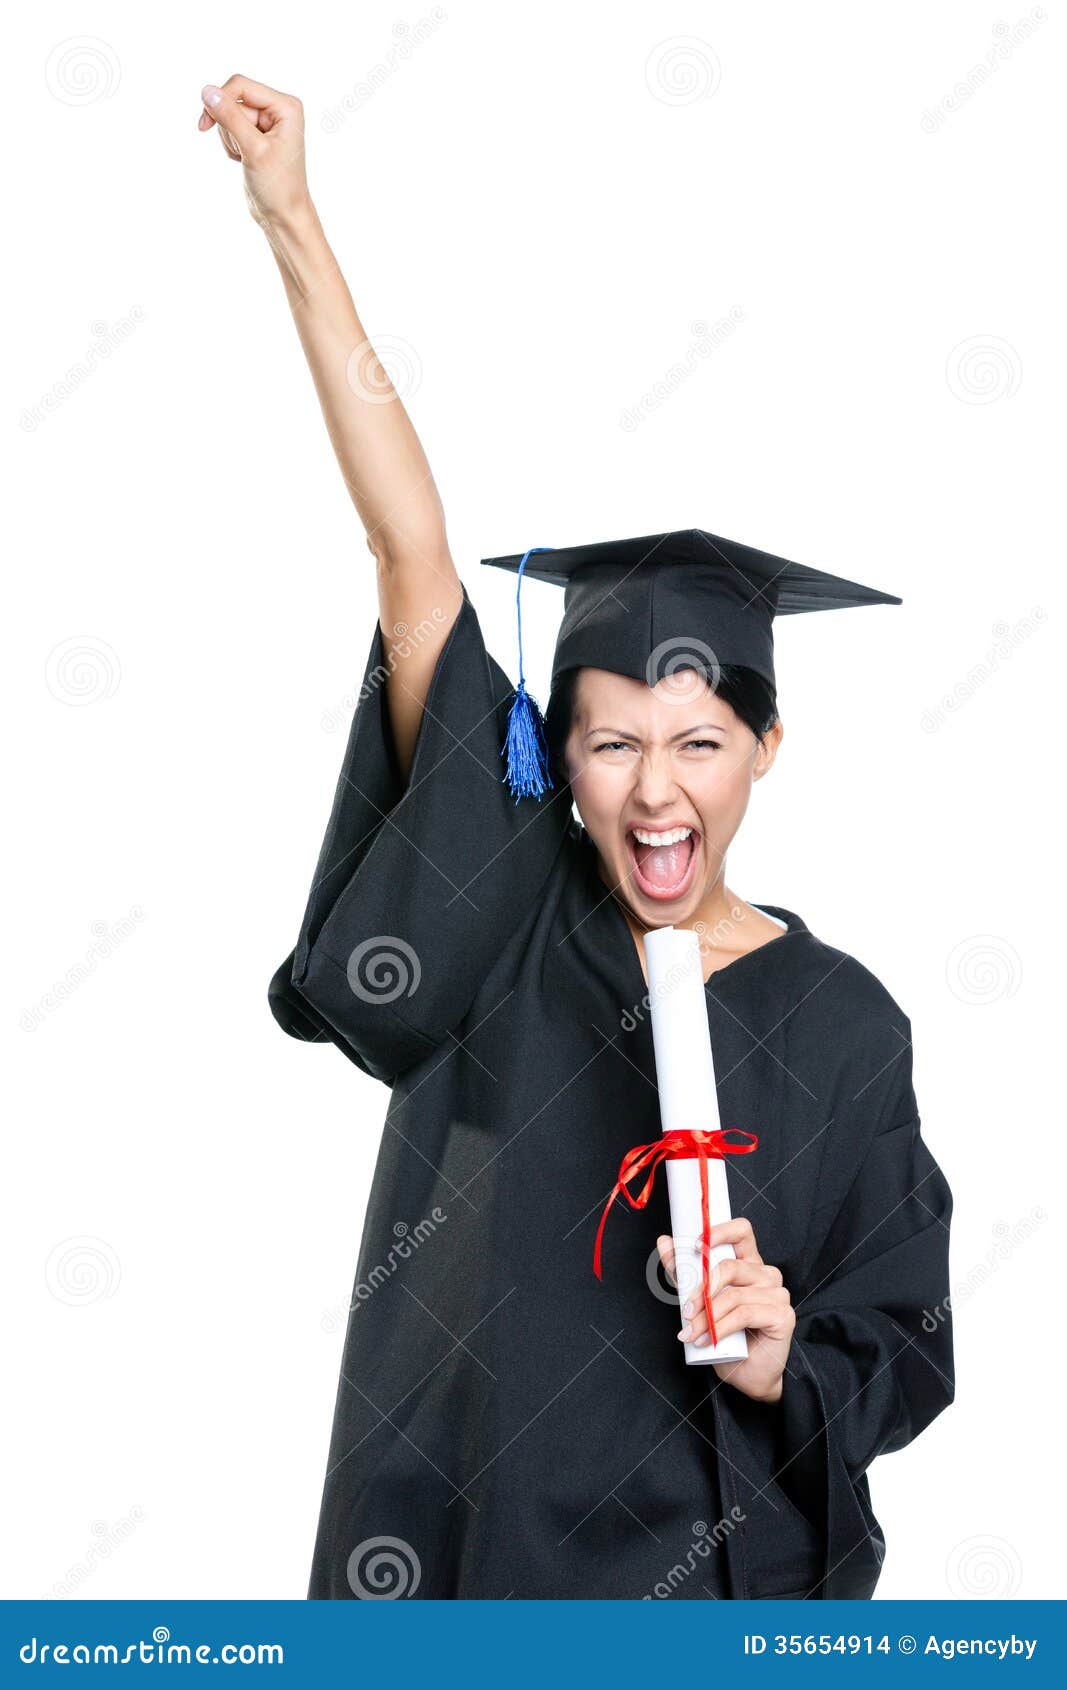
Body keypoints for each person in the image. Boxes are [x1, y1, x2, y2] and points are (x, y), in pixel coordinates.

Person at [201, 74, 955, 1600]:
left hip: (733, 1593)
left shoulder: (850, 1025)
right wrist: (291, 219)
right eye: (609, 742)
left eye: (698, 743)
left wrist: (783, 1344)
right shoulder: (512, 907)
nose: (654, 790)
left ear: (767, 748)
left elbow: (910, 1342)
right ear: (564, 759)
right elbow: (411, 552)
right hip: (484, 1562)